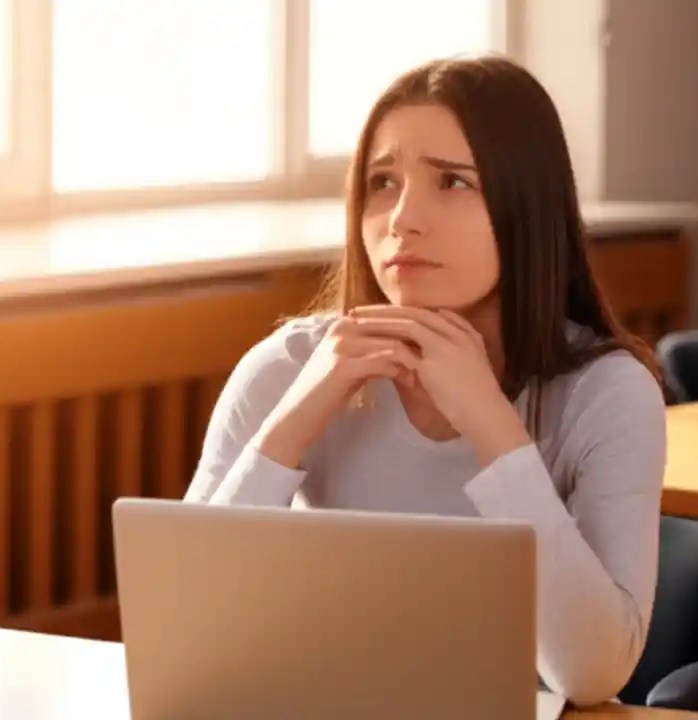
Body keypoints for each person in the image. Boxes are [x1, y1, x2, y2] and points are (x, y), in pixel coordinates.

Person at [183, 55, 666, 707]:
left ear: (526, 205)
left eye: (453, 182)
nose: (403, 218)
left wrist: (491, 423)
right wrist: (292, 423)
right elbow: (183, 632)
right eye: (383, 182)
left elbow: (591, 673)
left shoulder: (608, 392)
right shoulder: (283, 370)